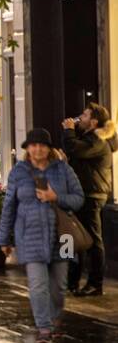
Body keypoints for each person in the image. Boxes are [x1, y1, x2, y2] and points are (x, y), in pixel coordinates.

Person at [0, 128, 87, 343]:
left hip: (63, 237)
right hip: (30, 235)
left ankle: (55, 319)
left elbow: (79, 199)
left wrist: (56, 197)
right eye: (33, 145)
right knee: (38, 284)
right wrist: (4, 239)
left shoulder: (63, 170)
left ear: (49, 149)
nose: (38, 149)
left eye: (42, 145)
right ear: (27, 149)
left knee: (59, 286)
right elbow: (9, 206)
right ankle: (44, 328)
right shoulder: (19, 172)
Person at [62, 104, 115, 296]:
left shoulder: (97, 141)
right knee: (70, 237)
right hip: (79, 194)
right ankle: (69, 280)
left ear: (93, 122)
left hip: (91, 195)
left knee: (92, 240)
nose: (80, 118)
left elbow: (74, 149)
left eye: (84, 115)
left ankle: (95, 283)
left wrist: (68, 131)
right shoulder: (89, 139)